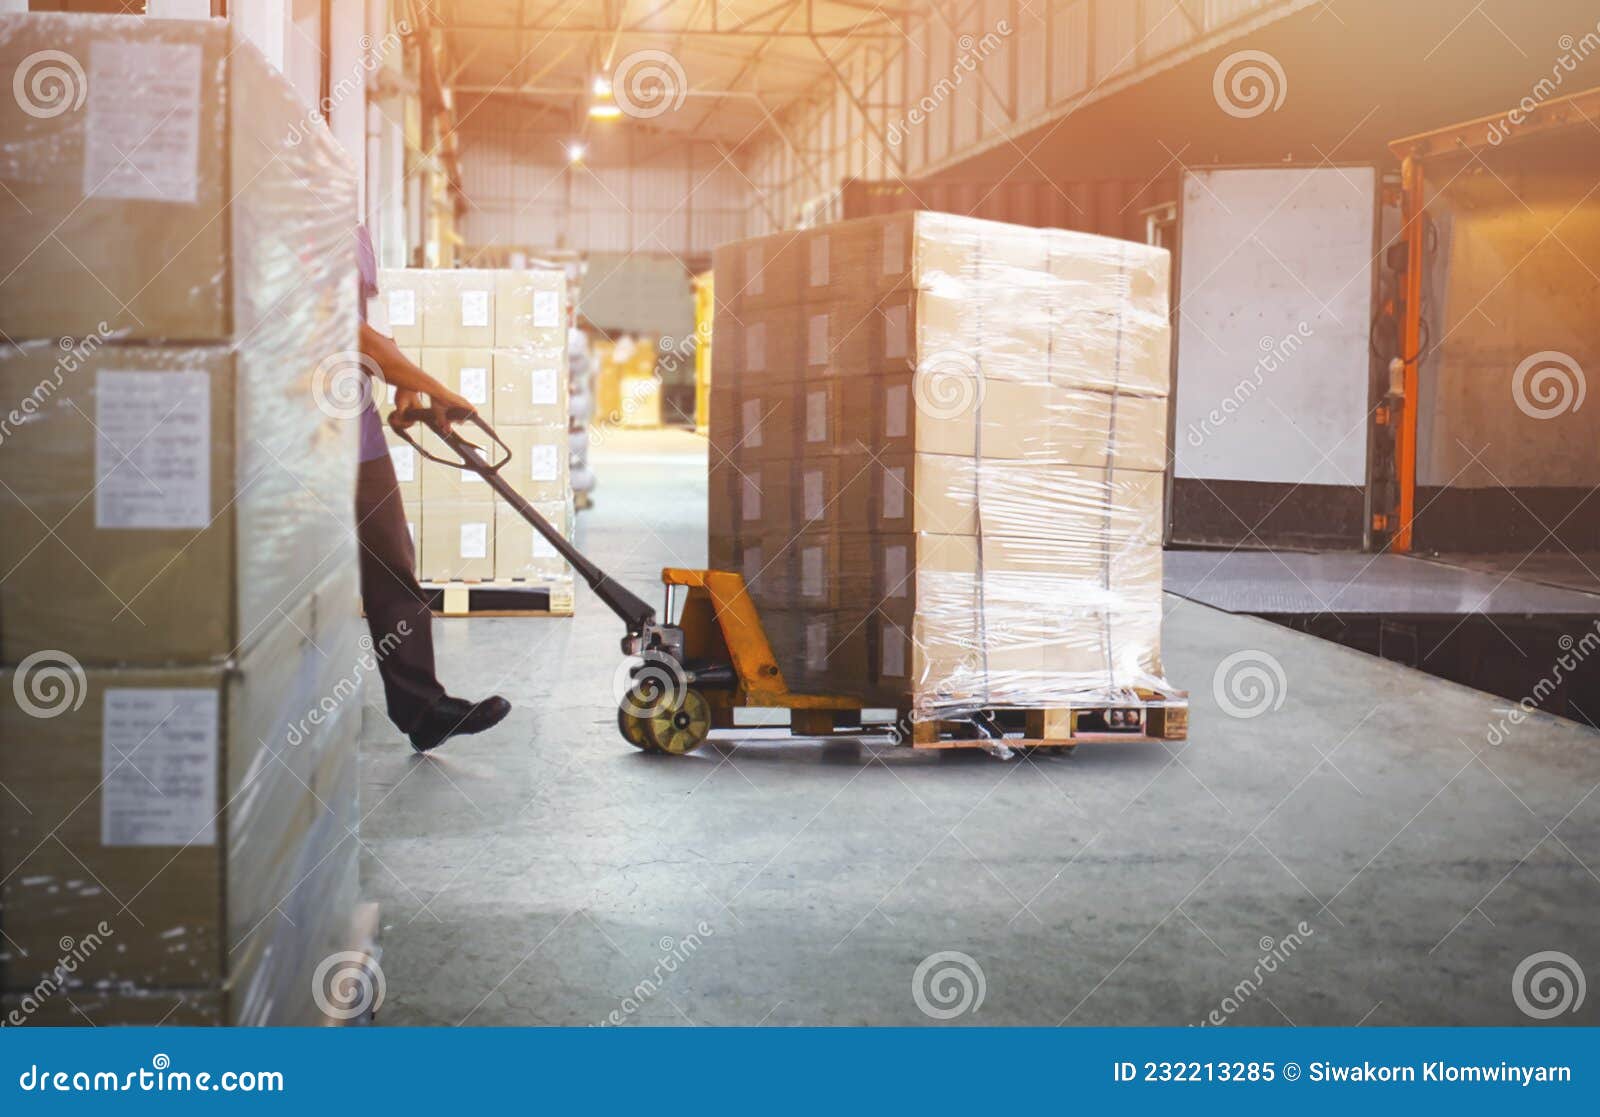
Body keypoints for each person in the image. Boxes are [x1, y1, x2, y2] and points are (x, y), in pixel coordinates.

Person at [352, 226, 510, 752]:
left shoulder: (352, 228)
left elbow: (372, 321)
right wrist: (437, 388)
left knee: (391, 564)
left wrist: (407, 382)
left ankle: (422, 710)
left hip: (356, 434)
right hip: (294, 432)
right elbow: (340, 331)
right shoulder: (286, 215)